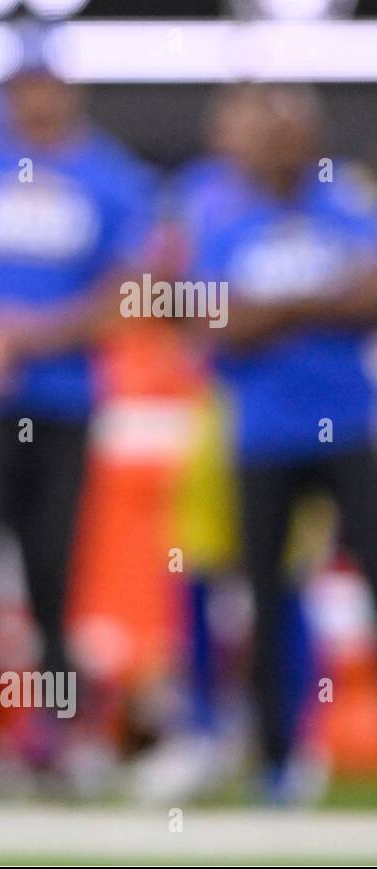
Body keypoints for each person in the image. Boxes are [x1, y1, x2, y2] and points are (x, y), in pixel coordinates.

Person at [0, 61, 156, 780]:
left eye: (46, 85)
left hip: (62, 399)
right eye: (23, 86)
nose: (35, 100)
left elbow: (132, 289)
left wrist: (31, 333)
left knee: (52, 565)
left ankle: (56, 729)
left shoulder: (110, 175)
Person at [186, 85, 377, 801]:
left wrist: (277, 309)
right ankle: (277, 759)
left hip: (349, 426)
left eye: (296, 133)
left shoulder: (348, 208)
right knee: (264, 597)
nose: (286, 146)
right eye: (274, 133)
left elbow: (372, 299)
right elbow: (215, 325)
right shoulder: (225, 219)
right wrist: (320, 300)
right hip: (262, 434)